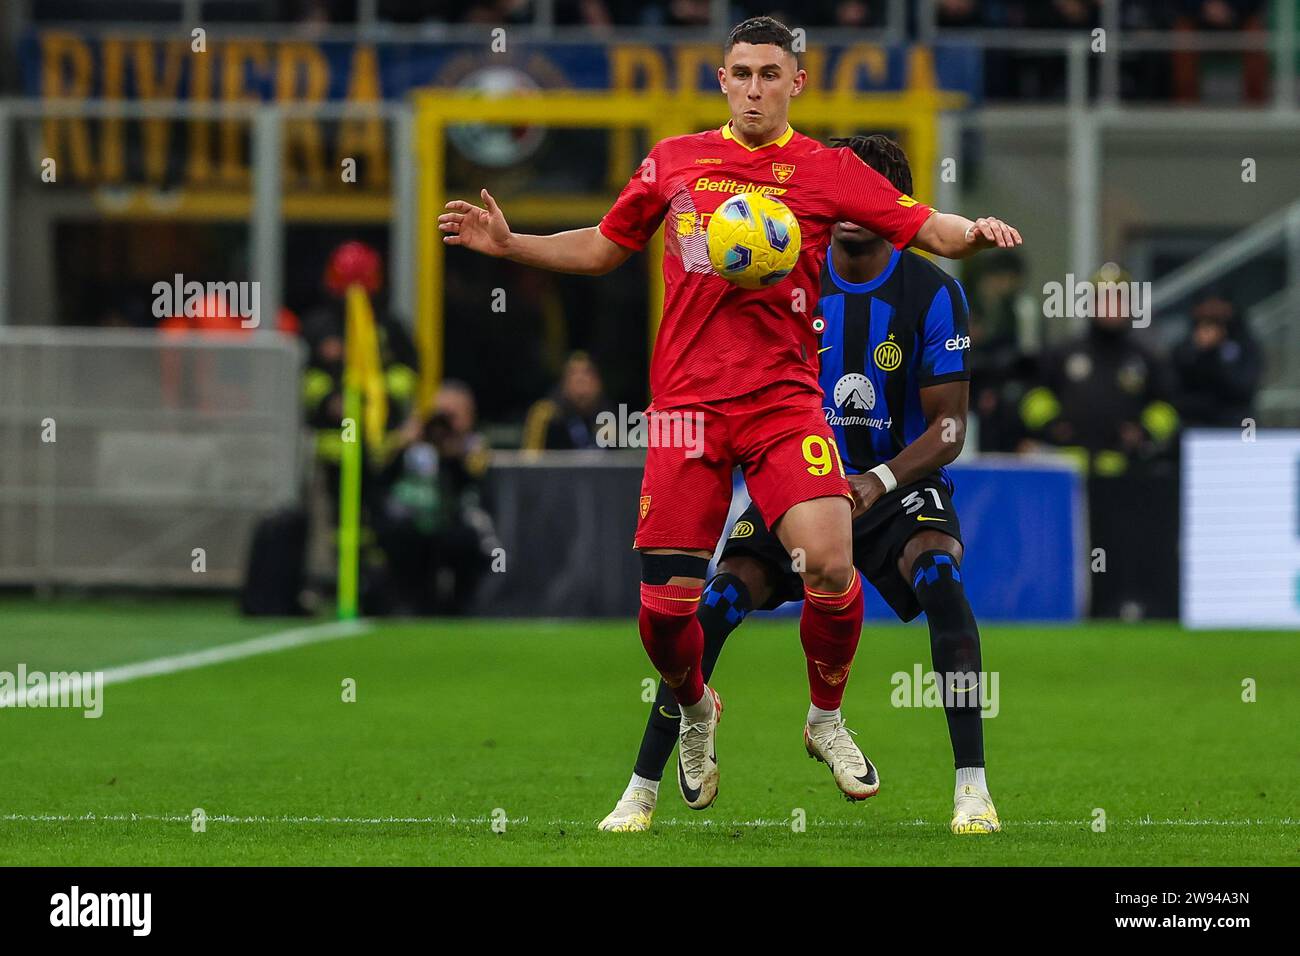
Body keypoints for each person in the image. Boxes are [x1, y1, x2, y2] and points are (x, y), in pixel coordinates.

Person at [438, 15, 1021, 813]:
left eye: (769, 74)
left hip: (784, 402)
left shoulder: (828, 169)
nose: (754, 87)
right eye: (741, 73)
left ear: (795, 83)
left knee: (830, 561)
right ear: (723, 80)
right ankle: (698, 705)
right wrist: (513, 246)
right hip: (686, 410)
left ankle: (824, 716)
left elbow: (925, 225)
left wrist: (973, 233)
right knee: (664, 619)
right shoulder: (674, 163)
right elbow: (607, 246)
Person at [599, 135, 999, 835]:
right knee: (715, 601)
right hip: (800, 480)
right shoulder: (778, 265)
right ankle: (642, 785)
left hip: (890, 484)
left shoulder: (933, 291)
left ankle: (972, 787)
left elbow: (948, 431)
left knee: (941, 578)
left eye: (869, 188)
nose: (847, 205)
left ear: (891, 203)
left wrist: (876, 481)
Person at [1172, 292, 1261, 428]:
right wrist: (1201, 353)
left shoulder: (1245, 346)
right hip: (1193, 423)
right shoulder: (1184, 349)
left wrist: (1215, 352)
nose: (1212, 312)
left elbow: (1243, 389)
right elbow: (1176, 391)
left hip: (1234, 423)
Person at [521, 351, 612, 451]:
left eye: (587, 374)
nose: (581, 380)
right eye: (574, 374)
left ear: (598, 382)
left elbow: (623, 460)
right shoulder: (546, 414)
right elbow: (530, 461)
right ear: (564, 383)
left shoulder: (608, 416)